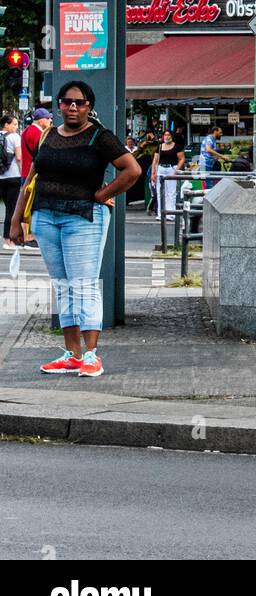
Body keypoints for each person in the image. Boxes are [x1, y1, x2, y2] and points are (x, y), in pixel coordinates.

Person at [7, 80, 140, 379]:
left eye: (79, 103)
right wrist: (16, 221)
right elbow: (31, 178)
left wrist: (101, 195)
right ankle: (72, 355)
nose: (73, 107)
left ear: (89, 107)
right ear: (59, 105)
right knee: (63, 286)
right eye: (67, 102)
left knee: (84, 285)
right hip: (45, 217)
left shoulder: (99, 137)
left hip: (83, 218)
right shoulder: (48, 136)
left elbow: (132, 170)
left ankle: (92, 355)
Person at [18, 107, 52, 247]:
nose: (50, 120)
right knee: (32, 205)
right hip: (33, 174)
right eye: (48, 118)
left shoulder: (25, 131)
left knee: (25, 203)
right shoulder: (38, 133)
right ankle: (29, 237)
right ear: (41, 119)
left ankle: (25, 236)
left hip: (25, 173)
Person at [150, 130, 185, 222]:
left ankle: (171, 214)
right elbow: (155, 160)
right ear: (163, 136)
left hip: (171, 169)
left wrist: (176, 170)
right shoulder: (160, 147)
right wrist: (153, 173)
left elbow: (182, 159)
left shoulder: (177, 147)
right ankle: (160, 213)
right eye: (165, 135)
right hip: (161, 169)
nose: (167, 136)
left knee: (171, 192)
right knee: (159, 192)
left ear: (172, 136)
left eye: (169, 135)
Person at [1, 114, 20, 250]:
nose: (16, 127)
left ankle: (6, 239)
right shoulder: (14, 137)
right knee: (11, 209)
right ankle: (8, 241)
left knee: (7, 206)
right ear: (6, 125)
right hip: (13, 176)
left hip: (1, 177)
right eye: (14, 124)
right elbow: (19, 157)